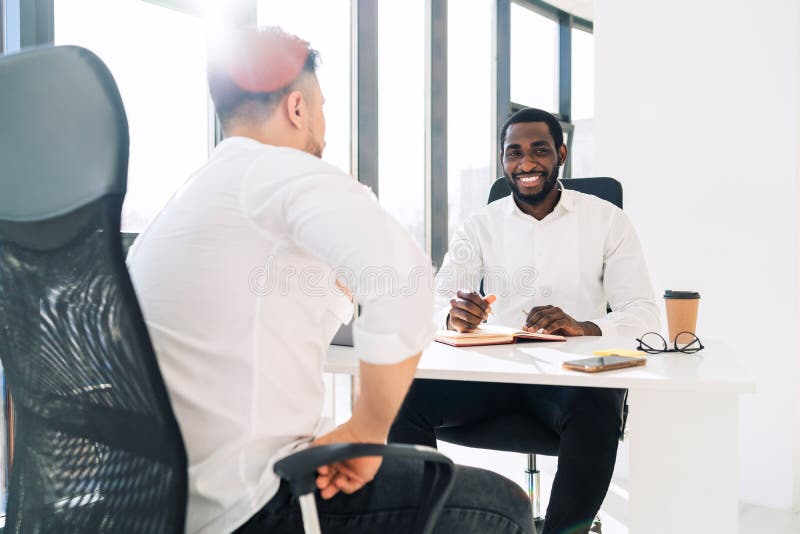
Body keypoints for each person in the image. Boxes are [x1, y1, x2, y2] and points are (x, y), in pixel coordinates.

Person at [127, 27, 533, 534]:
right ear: (297, 108)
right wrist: (368, 428)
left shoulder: (188, 203)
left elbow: (265, 312)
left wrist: (342, 295)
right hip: (254, 502)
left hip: (164, 503)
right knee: (504, 506)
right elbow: (406, 283)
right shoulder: (284, 171)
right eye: (321, 106)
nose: (323, 123)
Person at [389, 108, 660, 534]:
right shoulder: (480, 225)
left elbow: (644, 314)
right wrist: (453, 315)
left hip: (570, 380)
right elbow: (436, 300)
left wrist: (585, 327)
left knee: (598, 409)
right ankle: (431, 524)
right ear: (503, 161)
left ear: (561, 154)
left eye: (539, 150)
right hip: (492, 373)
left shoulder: (607, 220)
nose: (526, 163)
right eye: (514, 152)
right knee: (400, 398)